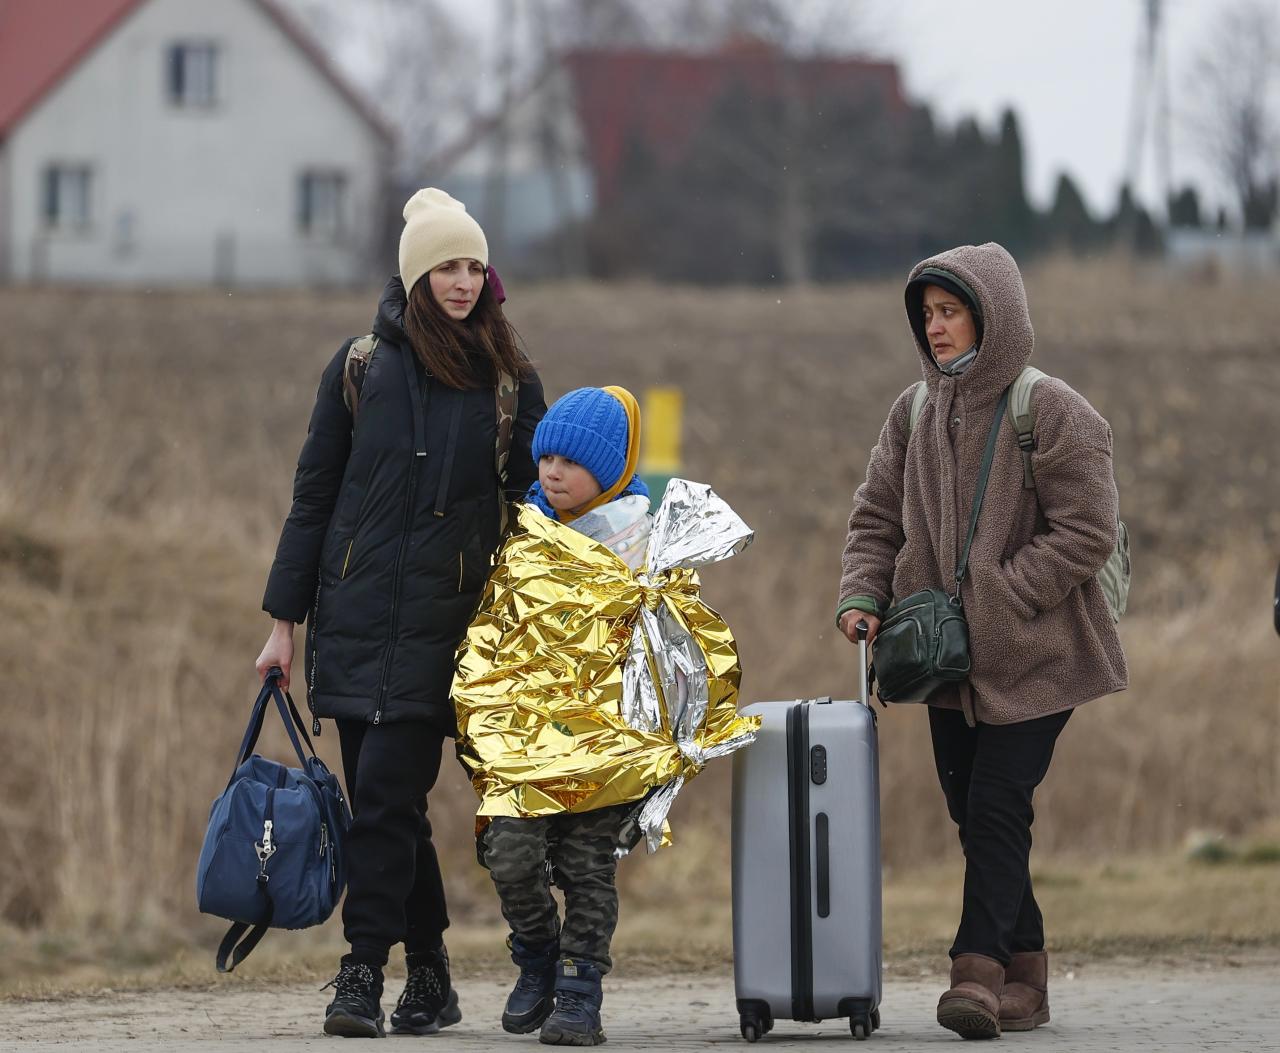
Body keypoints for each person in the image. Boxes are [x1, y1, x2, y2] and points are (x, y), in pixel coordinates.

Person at [255, 188, 546, 1038]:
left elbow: (533, 504)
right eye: (447, 266)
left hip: (448, 626)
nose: (463, 281)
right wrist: (283, 625)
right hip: (351, 616)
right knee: (392, 808)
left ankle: (360, 974)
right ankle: (431, 976)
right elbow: (312, 500)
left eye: (474, 266)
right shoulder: (357, 370)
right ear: (416, 275)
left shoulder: (508, 379)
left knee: (384, 793)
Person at [835, 243, 1127, 1040]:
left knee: (998, 802)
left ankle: (975, 971)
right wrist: (863, 596)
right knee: (974, 810)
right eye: (926, 313)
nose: (933, 327)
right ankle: (1026, 975)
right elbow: (875, 516)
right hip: (944, 661)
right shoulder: (914, 412)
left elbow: (1088, 531)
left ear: (990, 317)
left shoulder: (1055, 410)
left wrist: (1004, 592)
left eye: (949, 311)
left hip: (1041, 656)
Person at [481, 386, 651, 1047]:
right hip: (527, 735)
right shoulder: (524, 529)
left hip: (604, 737)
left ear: (607, 472)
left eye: (569, 462)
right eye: (545, 455)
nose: (551, 470)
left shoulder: (637, 542)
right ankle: (536, 956)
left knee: (586, 863)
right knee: (510, 852)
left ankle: (580, 990)